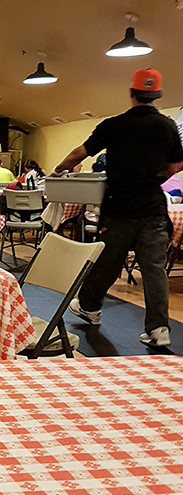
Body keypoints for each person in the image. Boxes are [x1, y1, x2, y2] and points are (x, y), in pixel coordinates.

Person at [53, 68, 183, 348]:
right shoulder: (168, 126)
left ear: (132, 92)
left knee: (108, 260)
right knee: (154, 269)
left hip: (119, 207)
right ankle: (159, 328)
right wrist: (155, 177)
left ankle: (89, 307)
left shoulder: (115, 125)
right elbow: (175, 165)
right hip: (153, 207)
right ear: (156, 95)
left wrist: (58, 169)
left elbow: (81, 152)